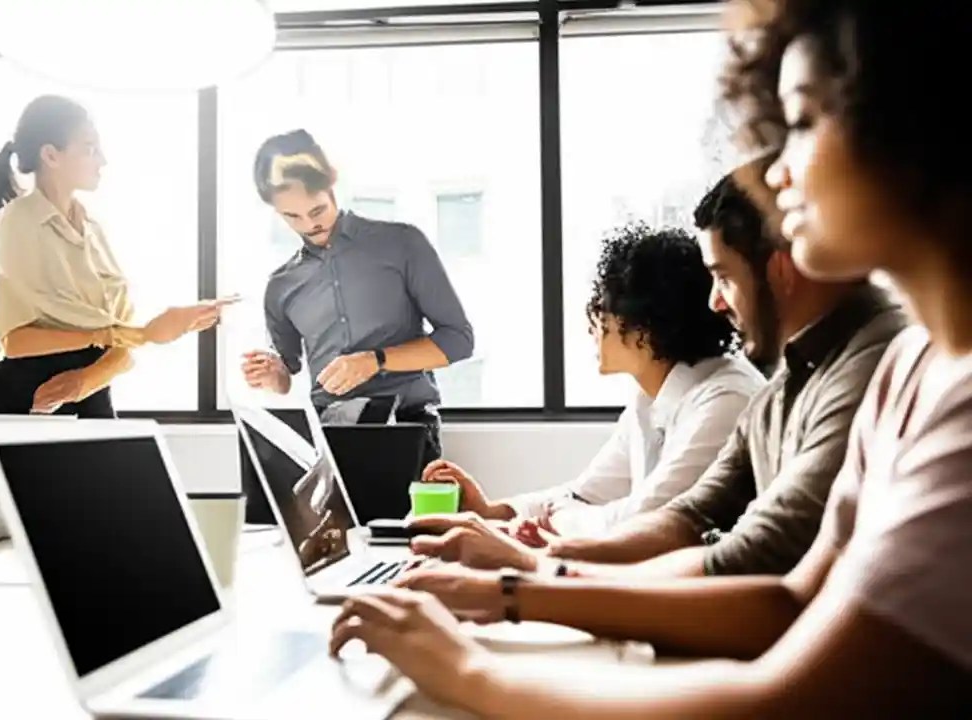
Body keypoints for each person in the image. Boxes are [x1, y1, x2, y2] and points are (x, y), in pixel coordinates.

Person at [330, 1, 972, 714]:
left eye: (805, 121)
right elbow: (790, 596)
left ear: (916, 121)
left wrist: (477, 660)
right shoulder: (910, 367)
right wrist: (515, 586)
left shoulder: (911, 382)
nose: (777, 174)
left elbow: (795, 685)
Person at [412, 156, 907, 578]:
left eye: (724, 277)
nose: (716, 302)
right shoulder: (784, 382)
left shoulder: (751, 390)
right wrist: (516, 537)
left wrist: (531, 571)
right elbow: (680, 516)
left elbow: (724, 550)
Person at [426, 222, 763, 538]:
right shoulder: (649, 399)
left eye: (605, 306)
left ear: (648, 324)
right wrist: (493, 511)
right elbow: (587, 493)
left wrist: (560, 519)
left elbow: (647, 518)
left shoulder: (725, 400)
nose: (593, 322)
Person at [0, 94, 231, 418]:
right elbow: (16, 341)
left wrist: (86, 380)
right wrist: (135, 334)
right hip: (26, 397)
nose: (103, 160)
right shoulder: (17, 221)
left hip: (90, 393)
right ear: (51, 155)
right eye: (90, 148)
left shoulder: (93, 228)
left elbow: (122, 345)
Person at [240, 129, 474, 464]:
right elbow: (285, 376)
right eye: (292, 216)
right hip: (329, 436)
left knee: (406, 519)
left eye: (317, 210)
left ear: (332, 186)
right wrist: (270, 372)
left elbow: (459, 341)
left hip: (406, 428)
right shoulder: (281, 285)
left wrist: (374, 360)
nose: (309, 224)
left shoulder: (402, 244)